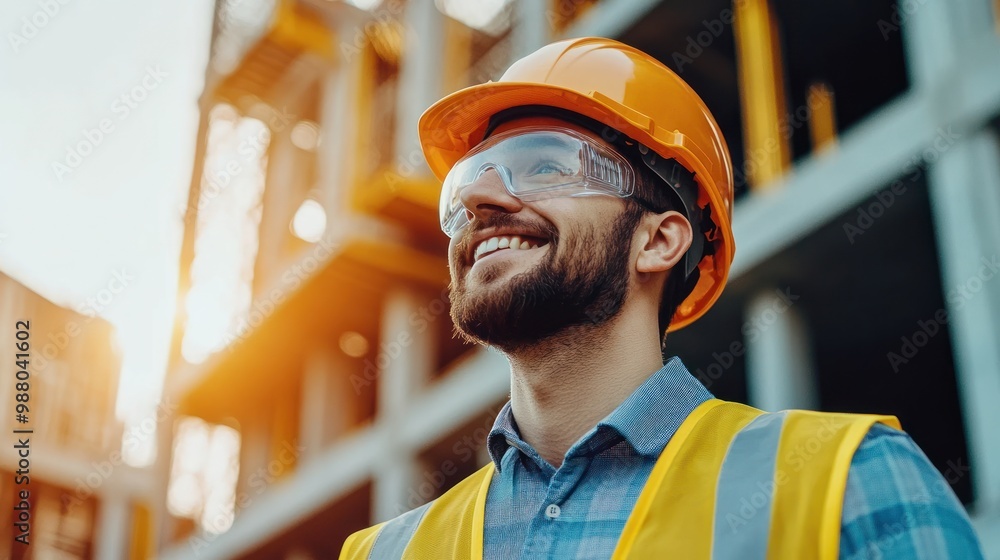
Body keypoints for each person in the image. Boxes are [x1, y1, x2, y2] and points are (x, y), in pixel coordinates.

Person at [340, 37, 984, 559]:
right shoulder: (383, 553)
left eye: (544, 165)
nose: (482, 199)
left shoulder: (851, 484)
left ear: (659, 240)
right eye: (469, 182)